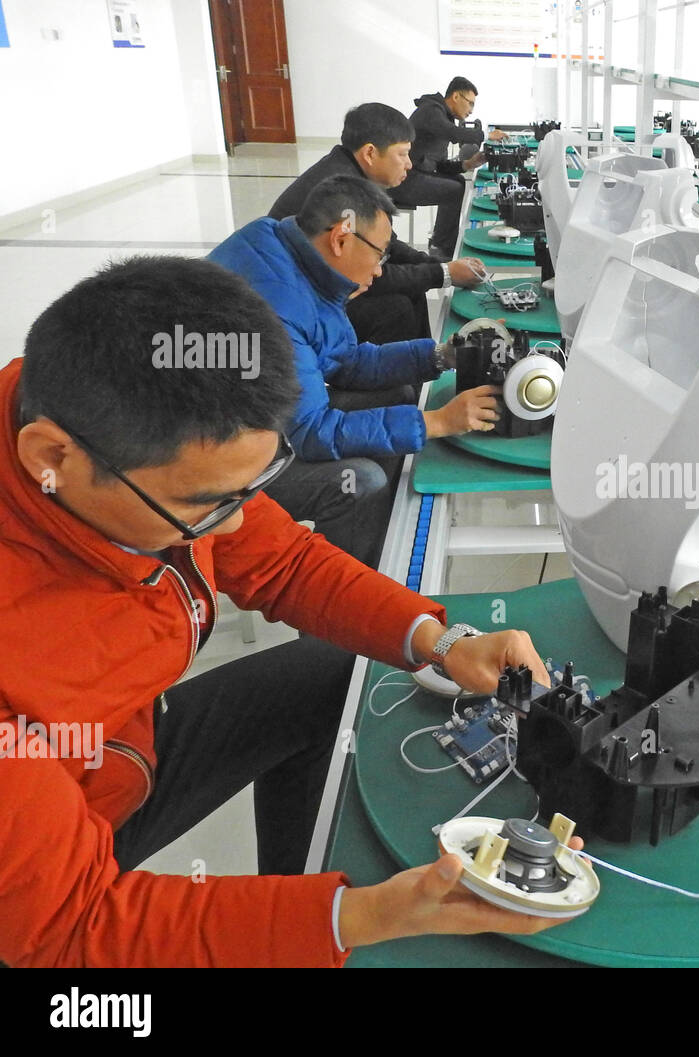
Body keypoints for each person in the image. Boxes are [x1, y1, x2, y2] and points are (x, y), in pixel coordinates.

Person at [0, 256, 573, 967]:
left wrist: (441, 638)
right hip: (36, 876)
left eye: (250, 488)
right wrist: (354, 915)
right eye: (206, 504)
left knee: (332, 676)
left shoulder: (101, 423)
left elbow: (282, 560)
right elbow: (67, 930)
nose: (234, 529)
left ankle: (293, 877)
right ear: (51, 455)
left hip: (115, 754)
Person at [209, 174, 501, 569]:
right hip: (219, 460)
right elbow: (312, 433)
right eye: (380, 254)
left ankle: (378, 546)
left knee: (398, 396)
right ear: (341, 238)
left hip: (257, 418)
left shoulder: (281, 245)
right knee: (361, 482)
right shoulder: (275, 308)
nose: (381, 269)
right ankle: (335, 606)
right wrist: (436, 422)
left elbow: (346, 361)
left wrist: (440, 356)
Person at [269, 102, 486, 345]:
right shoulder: (341, 192)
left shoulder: (349, 172)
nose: (409, 164)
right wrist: (443, 274)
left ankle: (422, 367)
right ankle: (390, 377)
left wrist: (438, 265)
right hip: (293, 308)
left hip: (310, 286)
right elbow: (366, 275)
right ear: (370, 153)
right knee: (395, 309)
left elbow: (386, 245)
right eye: (402, 154)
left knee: (412, 291)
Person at [394, 77, 509, 257]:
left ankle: (441, 243)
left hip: (416, 174)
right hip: (403, 180)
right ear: (456, 96)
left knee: (458, 182)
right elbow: (454, 133)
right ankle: (442, 249)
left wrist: (467, 164)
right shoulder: (431, 111)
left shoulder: (441, 116)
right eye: (470, 103)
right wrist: (486, 135)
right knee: (454, 189)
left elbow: (439, 165)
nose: (471, 110)